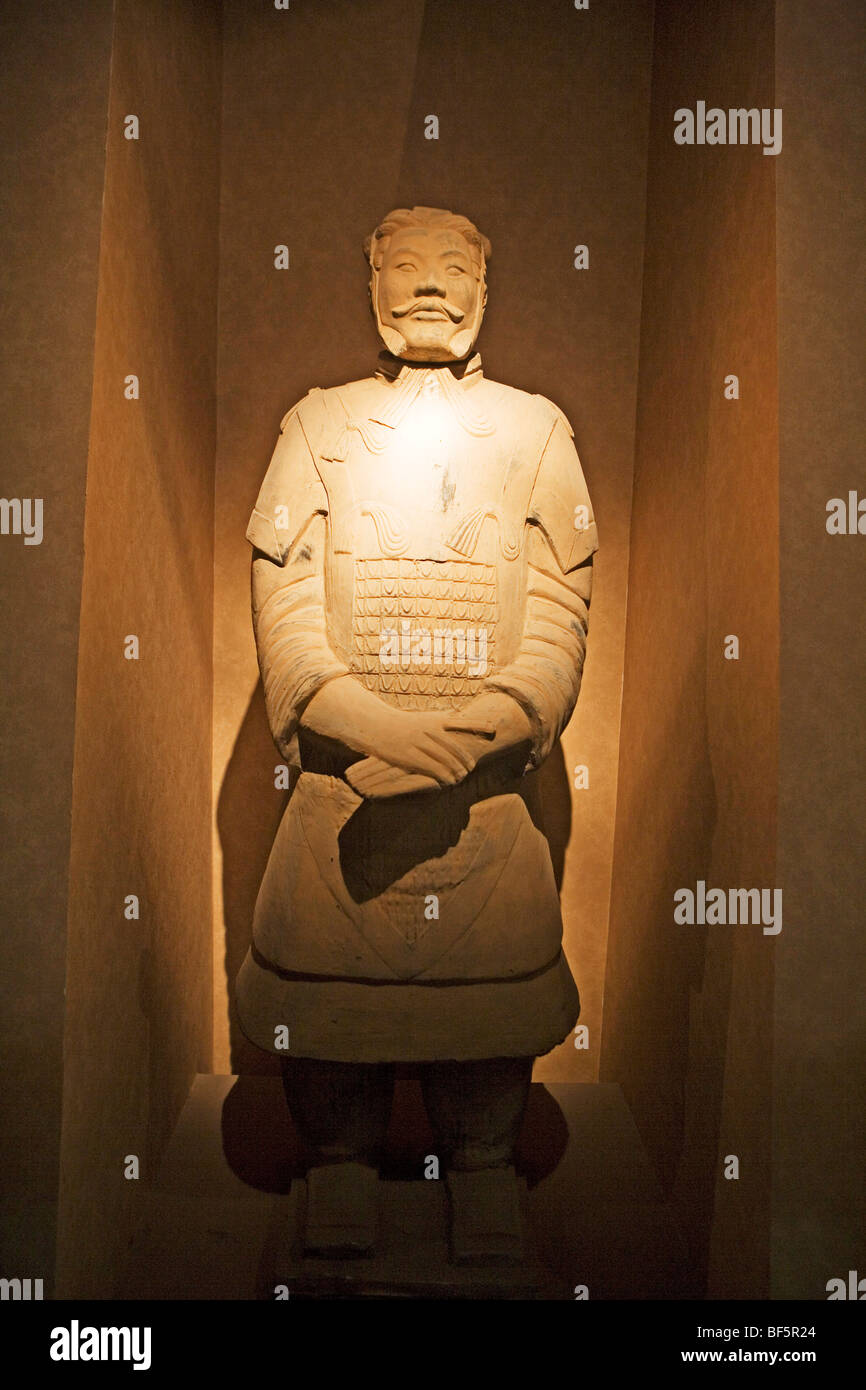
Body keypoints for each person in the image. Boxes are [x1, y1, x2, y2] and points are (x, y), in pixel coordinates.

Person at [236, 206, 598, 1262]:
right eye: (405, 265)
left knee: (484, 1023)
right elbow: (288, 620)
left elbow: (557, 625)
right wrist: (375, 725)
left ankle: (482, 1166)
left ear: (486, 283)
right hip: (342, 797)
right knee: (330, 1020)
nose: (428, 286)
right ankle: (340, 1162)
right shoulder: (316, 428)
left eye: (451, 266)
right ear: (368, 278)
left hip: (481, 804)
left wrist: (476, 731)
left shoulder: (539, 433)